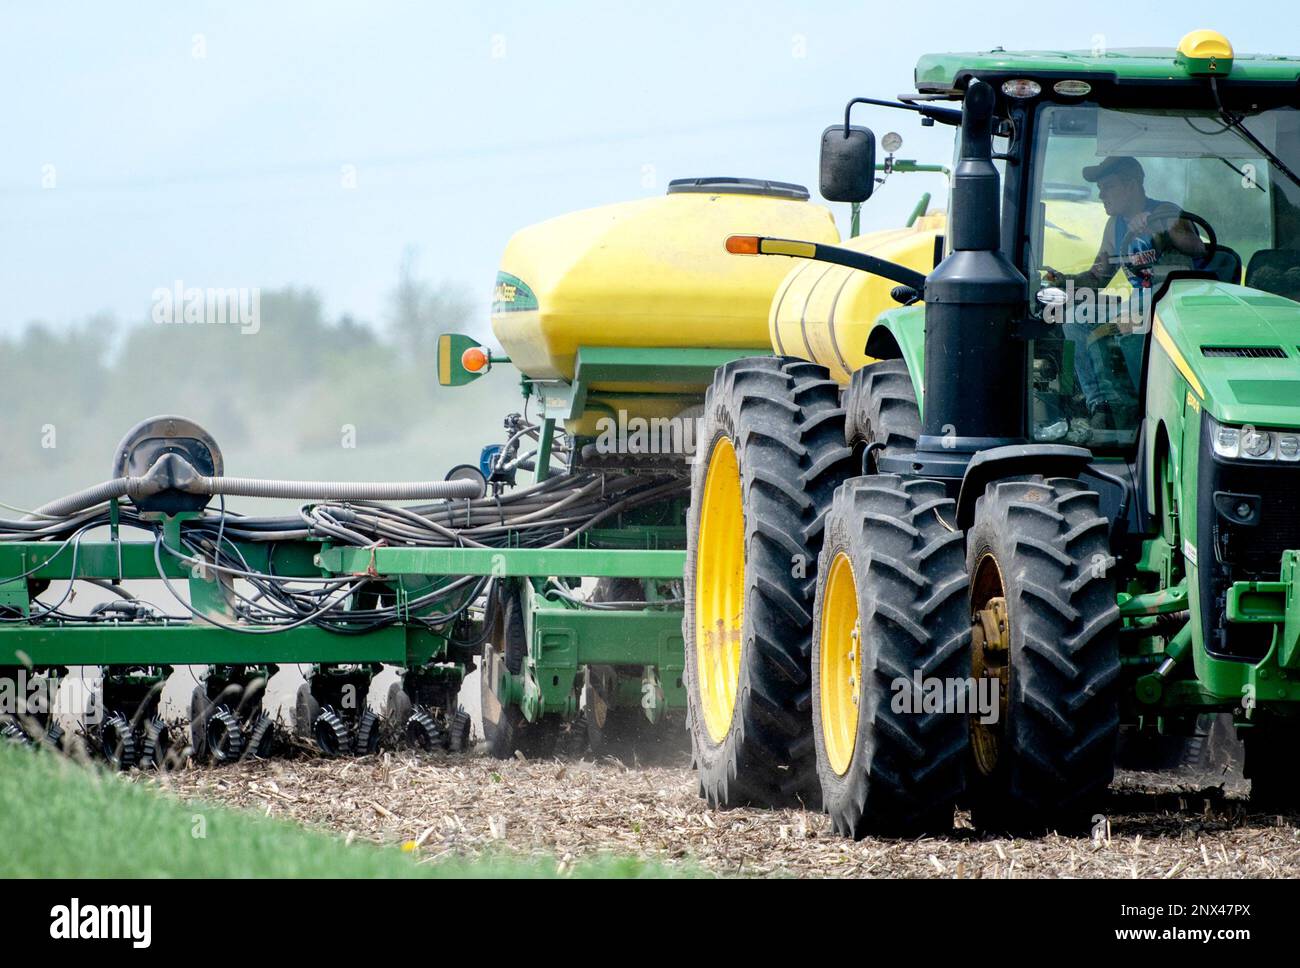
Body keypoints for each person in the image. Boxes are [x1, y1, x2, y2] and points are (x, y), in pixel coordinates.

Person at [1042, 156, 1207, 432]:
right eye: (1100, 188)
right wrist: (1064, 281)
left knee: (1130, 314)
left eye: (1107, 186)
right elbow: (1098, 276)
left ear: (1131, 185)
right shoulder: (1115, 226)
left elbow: (1196, 248)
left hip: (1174, 299)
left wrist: (1161, 226)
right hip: (1140, 301)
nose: (1101, 194)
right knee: (1075, 318)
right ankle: (1102, 405)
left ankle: (1144, 406)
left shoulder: (1166, 212)